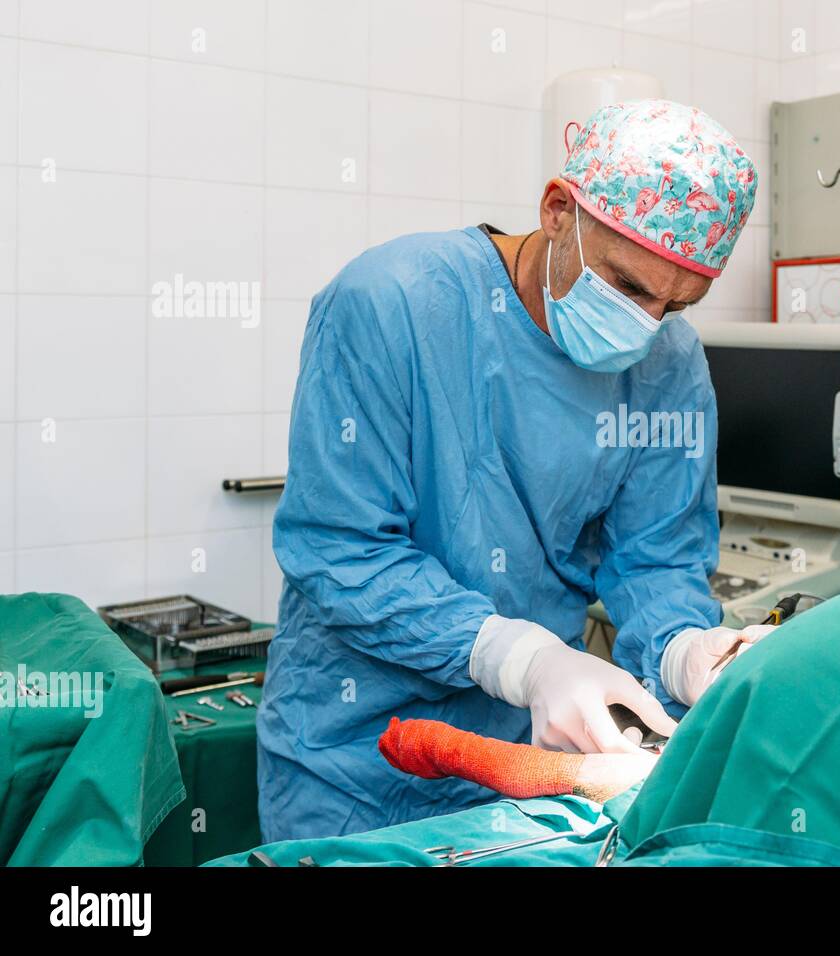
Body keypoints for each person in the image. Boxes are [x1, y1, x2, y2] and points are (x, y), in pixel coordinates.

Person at [257, 99, 769, 841]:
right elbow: (338, 550)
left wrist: (688, 649)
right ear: (558, 210)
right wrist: (524, 659)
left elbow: (658, 559)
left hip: (529, 763)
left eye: (678, 303)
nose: (646, 325)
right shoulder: (390, 303)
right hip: (351, 759)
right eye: (628, 287)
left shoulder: (670, 362)